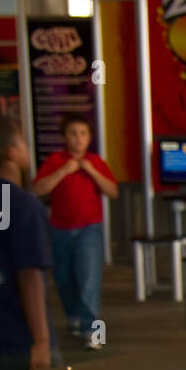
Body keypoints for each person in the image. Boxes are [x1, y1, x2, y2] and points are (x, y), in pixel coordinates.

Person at [0, 114, 57, 370]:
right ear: (12, 153)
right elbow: (29, 275)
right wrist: (41, 341)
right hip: (17, 337)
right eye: (21, 141)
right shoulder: (23, 204)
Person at [33, 113, 117, 348]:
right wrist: (64, 171)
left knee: (89, 279)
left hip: (90, 229)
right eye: (73, 134)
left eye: (83, 134)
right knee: (63, 278)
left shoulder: (96, 162)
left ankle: (93, 331)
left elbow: (112, 191)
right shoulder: (55, 160)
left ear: (89, 138)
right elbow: (39, 188)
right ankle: (73, 317)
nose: (78, 139)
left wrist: (91, 170)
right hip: (60, 229)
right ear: (64, 137)